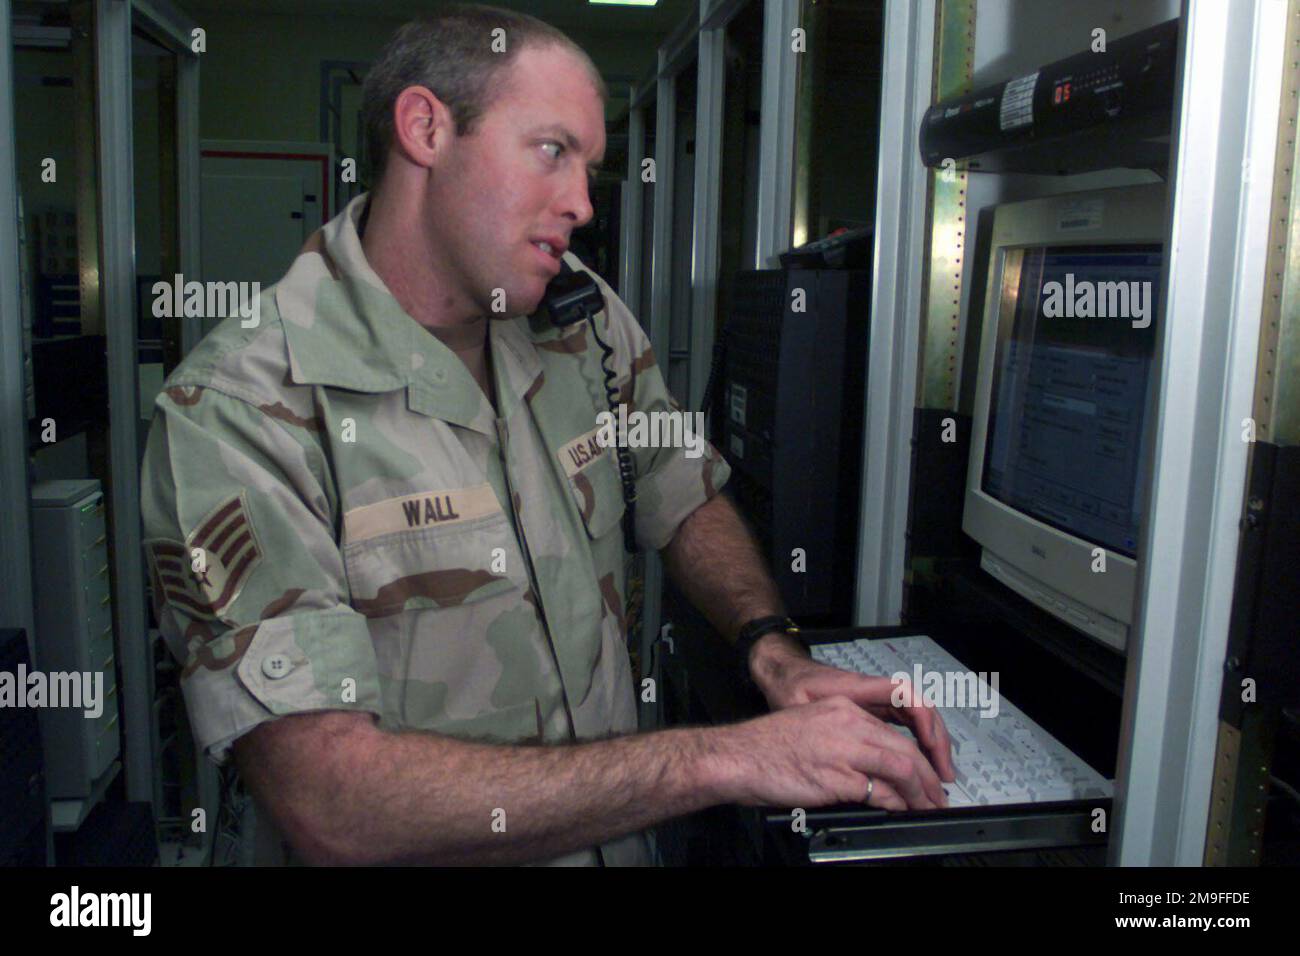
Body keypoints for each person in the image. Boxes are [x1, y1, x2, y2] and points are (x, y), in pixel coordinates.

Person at [139, 4, 954, 867]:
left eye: (590, 167)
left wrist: (772, 651)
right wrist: (725, 757)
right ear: (426, 128)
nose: (581, 204)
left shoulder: (583, 319)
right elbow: (328, 801)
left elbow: (685, 495)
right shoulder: (239, 407)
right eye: (553, 152)